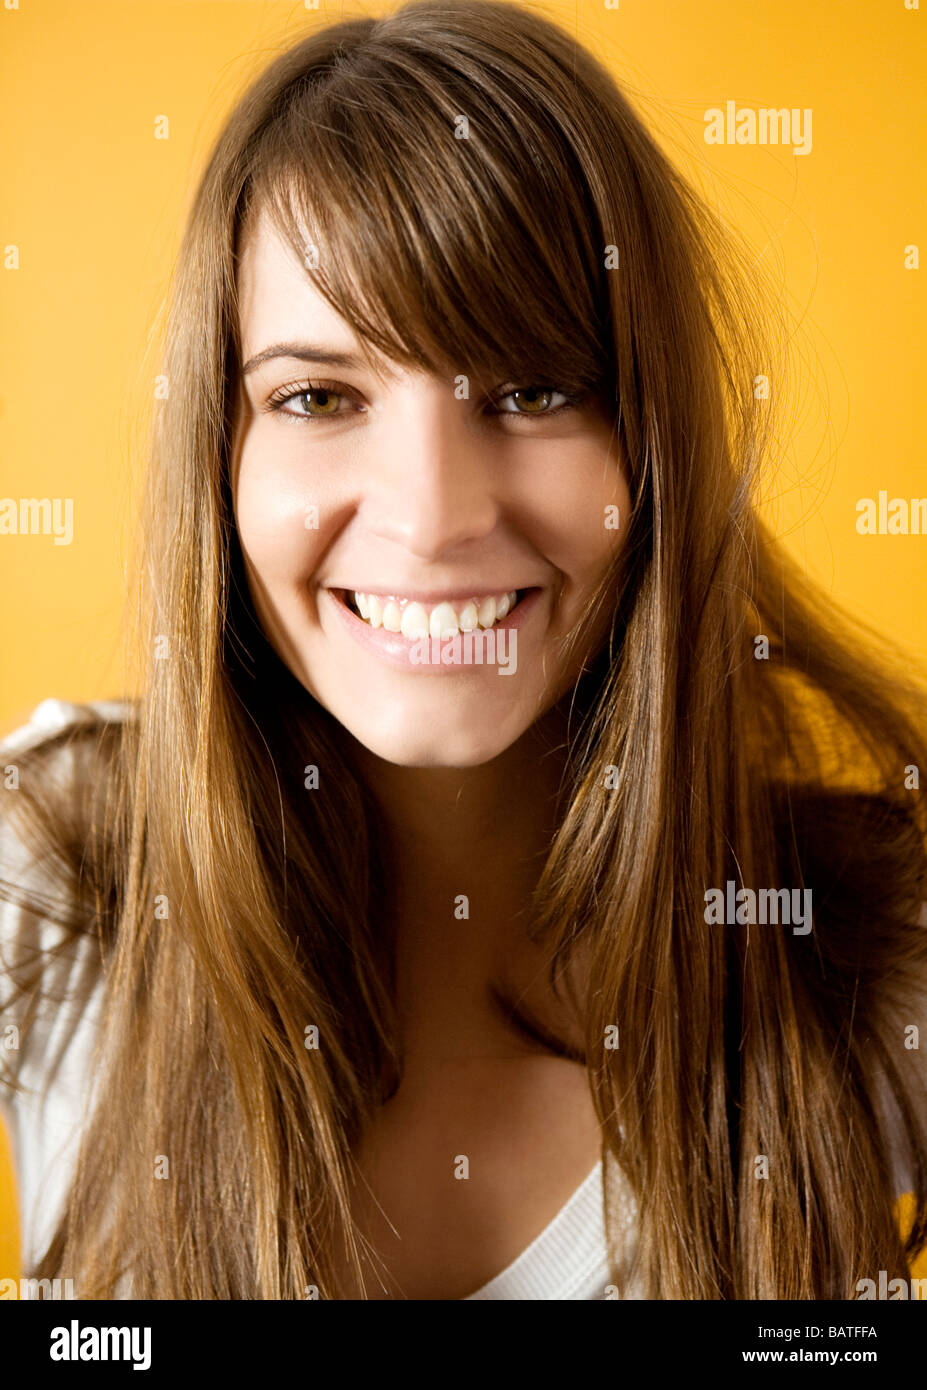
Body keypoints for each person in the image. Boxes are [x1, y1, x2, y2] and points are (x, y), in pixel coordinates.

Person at [1, 0, 926, 1301]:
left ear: (651, 446)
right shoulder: (50, 880)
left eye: (535, 390)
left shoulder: (866, 949)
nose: (433, 518)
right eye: (317, 396)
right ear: (218, 454)